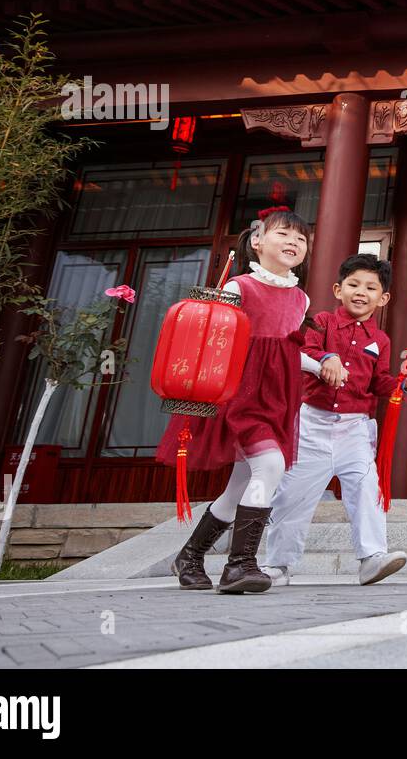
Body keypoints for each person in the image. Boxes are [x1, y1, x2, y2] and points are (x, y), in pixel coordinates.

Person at [158, 206, 312, 593]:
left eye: (302, 238)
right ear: (256, 243)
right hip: (241, 397)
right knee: (271, 466)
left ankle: (189, 557)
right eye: (284, 234)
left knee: (241, 484)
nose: (294, 242)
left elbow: (286, 351)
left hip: (277, 399)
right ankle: (240, 565)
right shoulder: (239, 287)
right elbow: (215, 343)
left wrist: (321, 361)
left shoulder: (301, 299)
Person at [261, 254, 407, 588]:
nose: (360, 292)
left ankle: (371, 559)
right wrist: (328, 357)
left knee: (367, 489)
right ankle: (278, 565)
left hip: (355, 429)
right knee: (292, 495)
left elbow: (379, 381)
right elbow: (305, 351)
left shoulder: (380, 340)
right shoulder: (321, 323)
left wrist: (406, 383)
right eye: (353, 285)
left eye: (371, 287)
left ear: (383, 299)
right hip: (312, 425)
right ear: (338, 289)